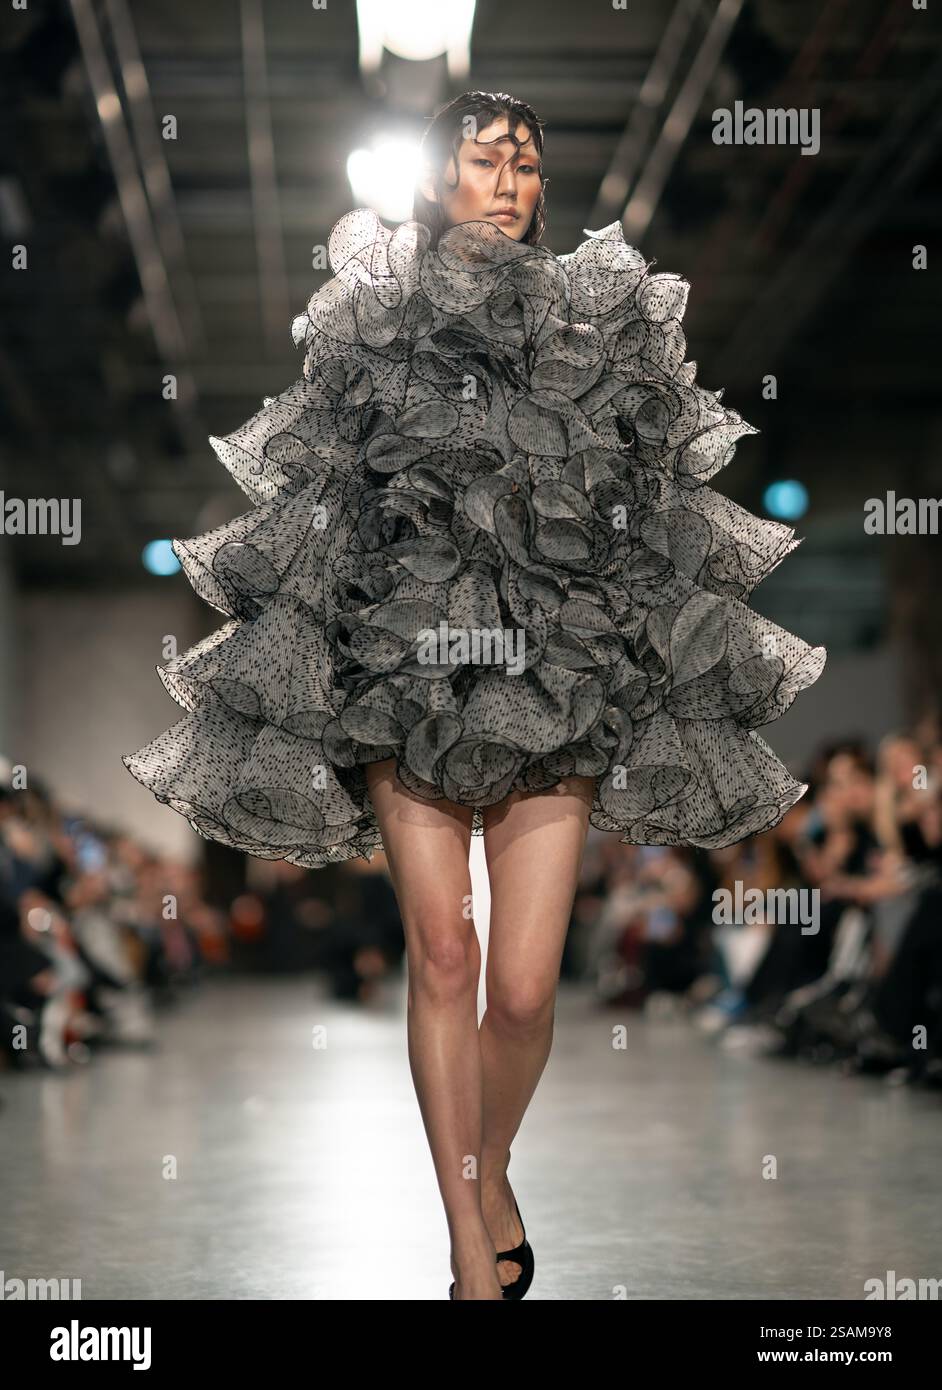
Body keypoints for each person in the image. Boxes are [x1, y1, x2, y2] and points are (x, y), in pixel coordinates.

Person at [122, 90, 826, 1299]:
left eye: (527, 166)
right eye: (484, 161)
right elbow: (321, 508)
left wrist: (646, 648)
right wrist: (317, 654)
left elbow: (645, 515)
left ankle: (488, 1165)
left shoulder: (594, 329)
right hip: (406, 674)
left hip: (560, 667)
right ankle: (464, 1239)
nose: (509, 182)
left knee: (528, 984)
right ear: (436, 179)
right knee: (443, 953)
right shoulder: (371, 324)